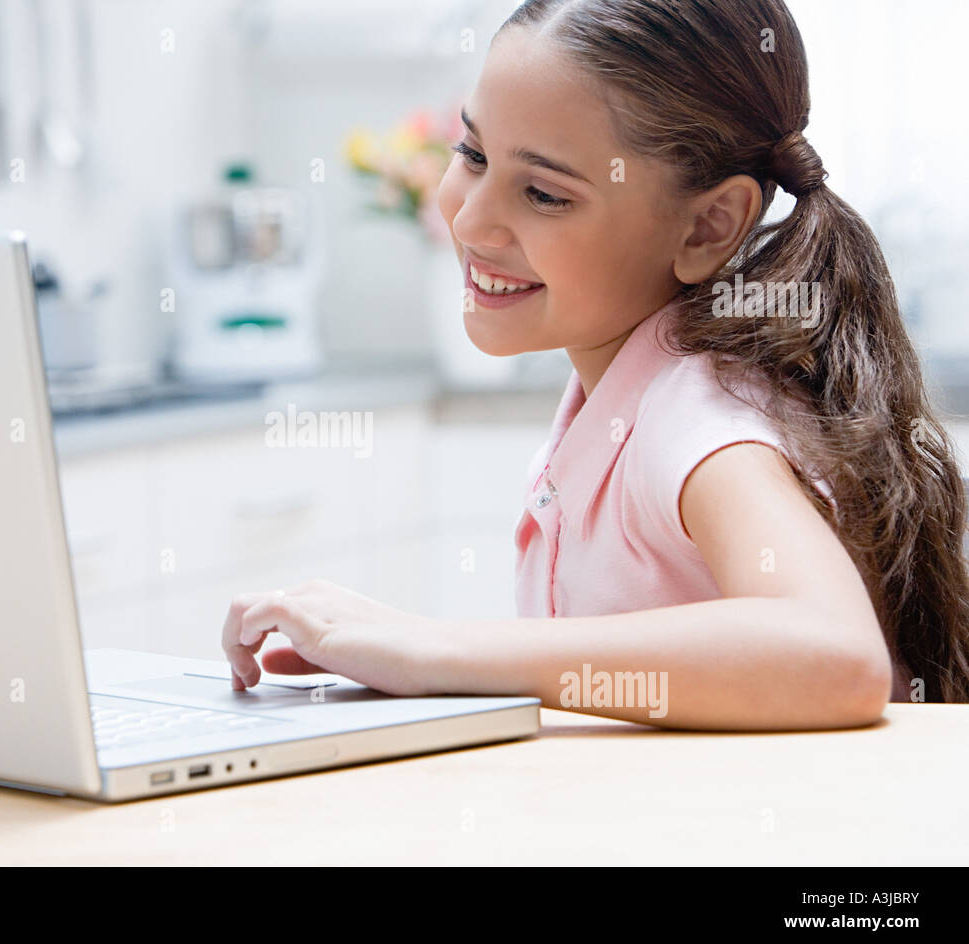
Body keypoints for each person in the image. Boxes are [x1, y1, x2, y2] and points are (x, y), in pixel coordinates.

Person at [221, 0, 969, 728]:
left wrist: (431, 649)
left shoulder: (697, 416)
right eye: (473, 155)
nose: (470, 218)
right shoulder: (620, 392)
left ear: (709, 226)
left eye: (544, 193)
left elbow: (834, 655)